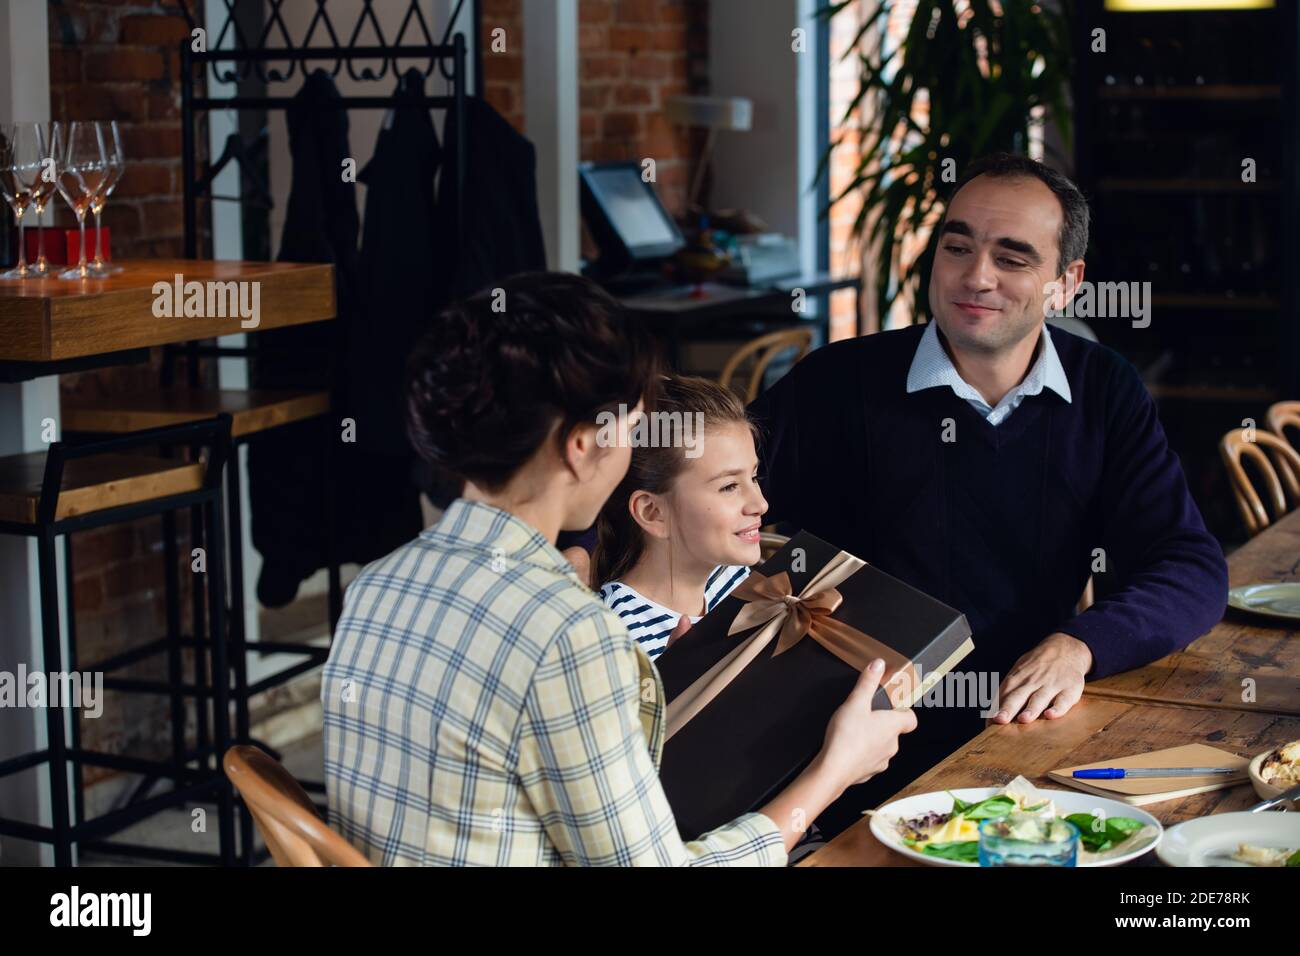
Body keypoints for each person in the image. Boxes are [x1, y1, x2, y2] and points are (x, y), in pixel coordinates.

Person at [320, 272, 917, 865]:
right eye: (631, 429)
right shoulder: (574, 636)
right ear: (583, 446)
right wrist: (832, 772)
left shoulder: (378, 584)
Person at [747, 153, 1229, 835]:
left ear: (1066, 285)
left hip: (1030, 738)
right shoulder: (835, 384)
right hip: (850, 749)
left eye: (1013, 257)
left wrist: (1082, 645)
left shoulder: (1103, 390)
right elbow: (700, 498)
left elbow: (1190, 564)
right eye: (957, 247)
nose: (977, 277)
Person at [594, 375, 763, 660]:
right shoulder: (613, 642)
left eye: (755, 476)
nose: (760, 503)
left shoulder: (737, 581)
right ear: (654, 513)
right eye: (729, 486)